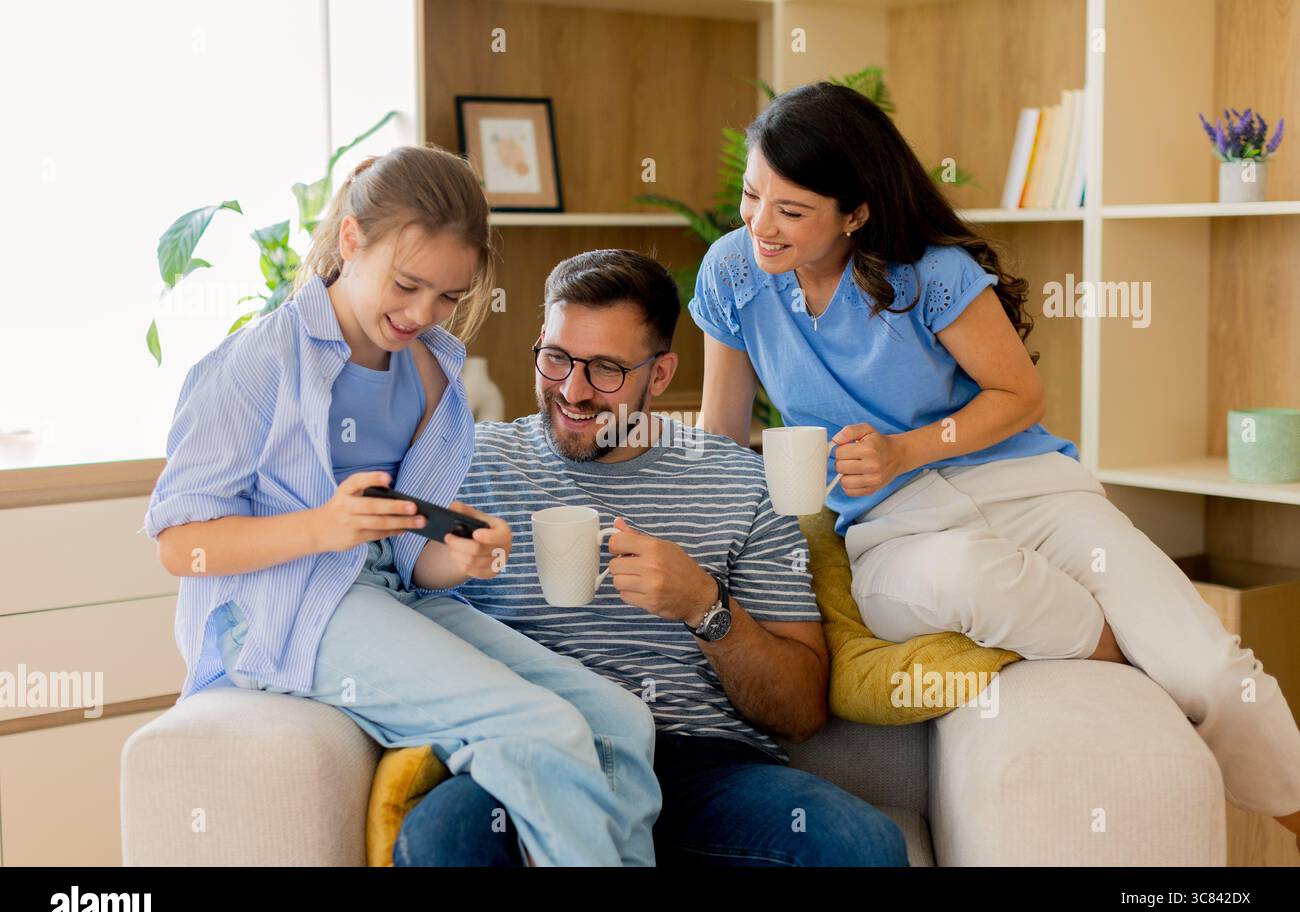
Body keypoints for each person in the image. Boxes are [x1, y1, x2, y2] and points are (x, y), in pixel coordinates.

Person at [689, 81, 1300, 843]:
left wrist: (905, 448)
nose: (759, 227)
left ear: (856, 212)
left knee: (1212, 671)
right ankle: (1124, 659)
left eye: (791, 211)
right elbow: (722, 434)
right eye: (752, 197)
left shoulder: (928, 271)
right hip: (892, 527)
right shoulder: (734, 274)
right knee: (967, 577)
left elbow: (1019, 395)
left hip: (1028, 490)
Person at [143, 145, 660, 866]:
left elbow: (415, 553)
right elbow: (180, 544)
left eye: (448, 295)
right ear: (352, 239)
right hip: (286, 605)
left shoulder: (430, 369)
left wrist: (467, 553)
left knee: (618, 722)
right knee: (541, 728)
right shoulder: (261, 361)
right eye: (408, 284)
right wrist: (322, 527)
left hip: (386, 596)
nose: (423, 313)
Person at [393, 248, 910, 867]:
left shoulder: (740, 483)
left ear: (660, 375)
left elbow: (800, 712)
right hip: (532, 753)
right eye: (557, 358)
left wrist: (704, 606)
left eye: (607, 370)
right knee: (445, 840)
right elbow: (387, 598)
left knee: (860, 846)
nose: (574, 391)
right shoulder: (466, 464)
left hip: (702, 770)